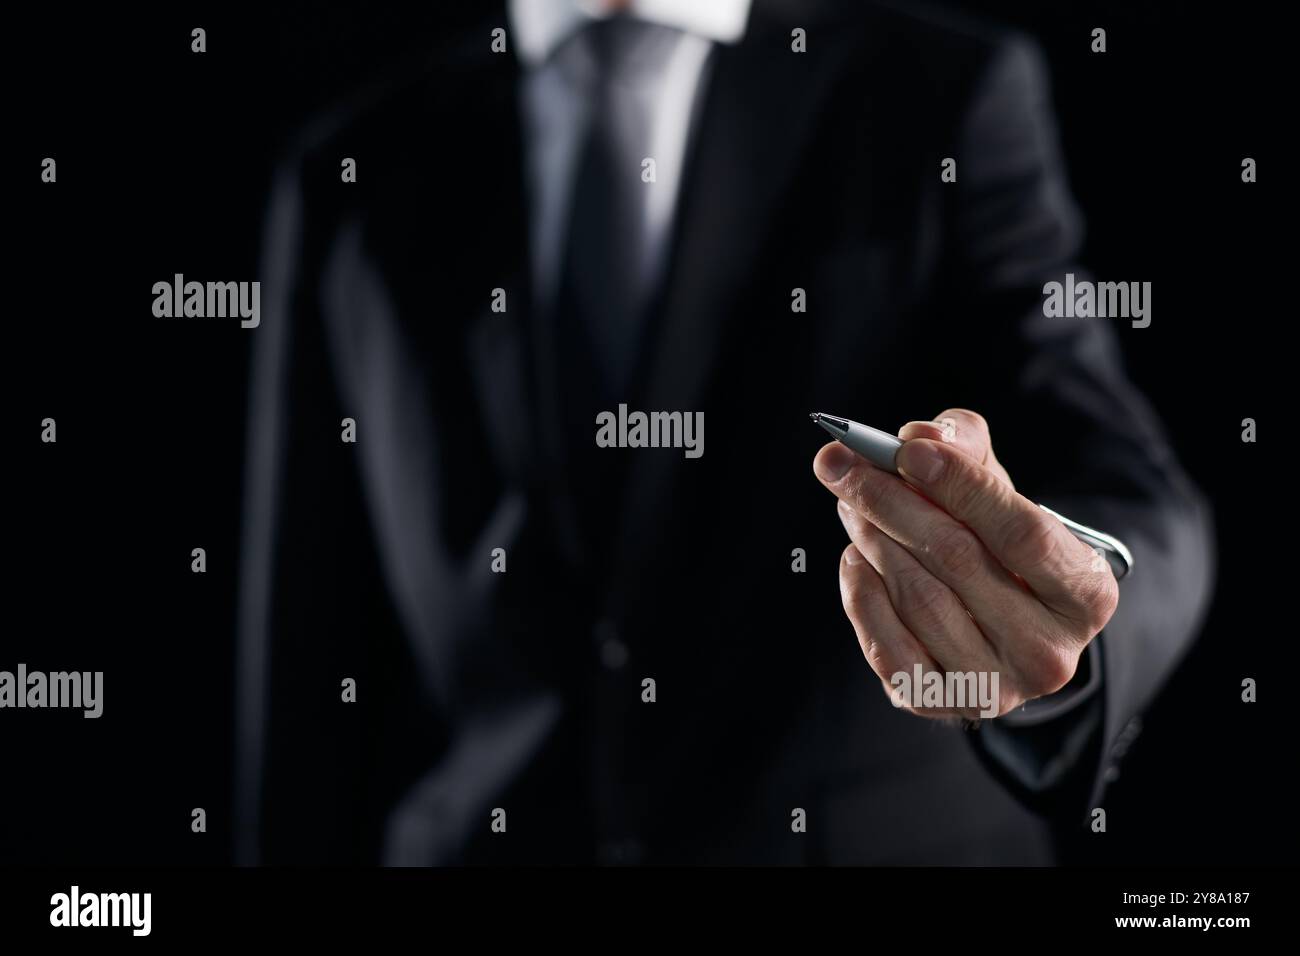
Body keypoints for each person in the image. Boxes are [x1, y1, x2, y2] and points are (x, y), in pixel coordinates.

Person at [235, 0, 1213, 865]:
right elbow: (305, 662)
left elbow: (1129, 484)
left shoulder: (943, 92)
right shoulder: (352, 168)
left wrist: (1064, 615)